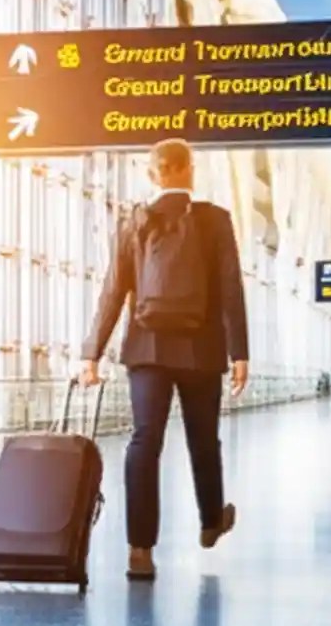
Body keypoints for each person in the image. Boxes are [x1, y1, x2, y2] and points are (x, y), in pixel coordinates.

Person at [79, 137, 249, 581]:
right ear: (189, 169)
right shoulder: (215, 220)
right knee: (203, 439)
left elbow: (113, 290)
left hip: (146, 348)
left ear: (152, 174)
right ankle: (210, 520)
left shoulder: (134, 221)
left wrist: (92, 353)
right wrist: (240, 352)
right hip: (202, 349)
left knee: (144, 440)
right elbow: (230, 288)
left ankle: (139, 550)